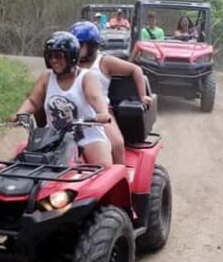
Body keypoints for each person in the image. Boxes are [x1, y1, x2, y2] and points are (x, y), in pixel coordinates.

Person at [14, 32, 112, 167]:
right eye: (50, 56)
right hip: (52, 137)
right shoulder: (47, 77)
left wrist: (102, 113)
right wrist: (21, 113)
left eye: (59, 56)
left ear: (71, 56)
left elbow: (95, 97)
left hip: (87, 136)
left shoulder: (86, 77)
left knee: (103, 167)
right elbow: (33, 101)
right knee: (23, 161)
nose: (53, 60)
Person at [70, 21, 152, 165]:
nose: (75, 48)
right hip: (72, 111)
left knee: (117, 144)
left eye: (80, 45)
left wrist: (143, 95)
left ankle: (122, 180)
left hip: (100, 113)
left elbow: (135, 70)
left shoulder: (104, 62)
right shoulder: (69, 63)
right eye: (74, 44)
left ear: (91, 45)